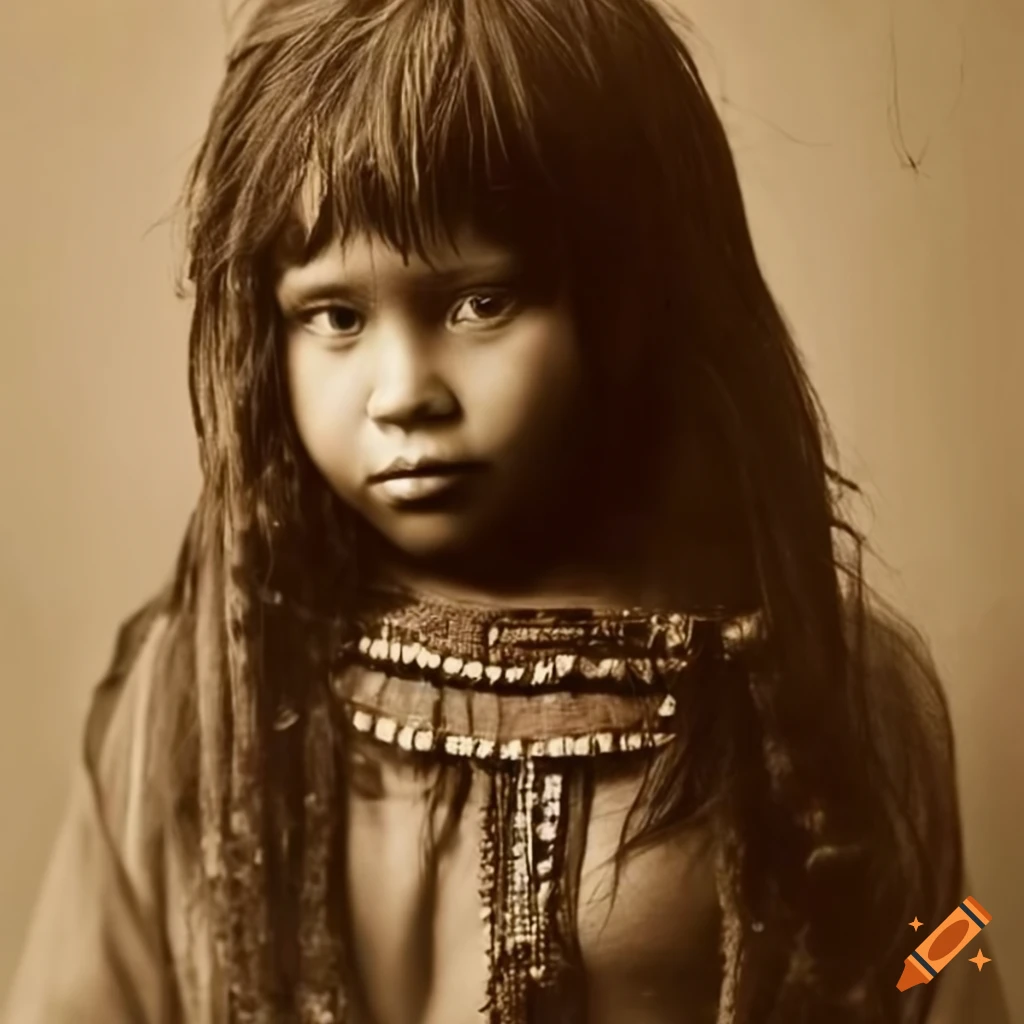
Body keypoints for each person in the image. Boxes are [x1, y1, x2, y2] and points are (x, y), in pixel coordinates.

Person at [3, 0, 1012, 1022]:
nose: (402, 392)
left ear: (624, 296)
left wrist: (940, 941)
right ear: (265, 330)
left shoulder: (810, 685)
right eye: (334, 316)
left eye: (478, 302)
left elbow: (942, 957)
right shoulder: (192, 694)